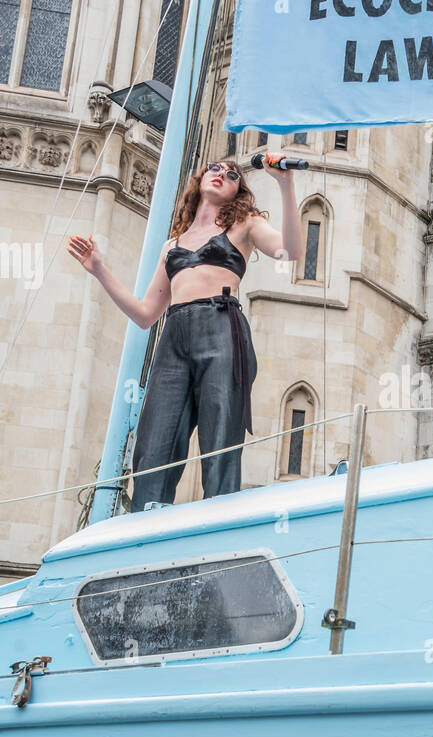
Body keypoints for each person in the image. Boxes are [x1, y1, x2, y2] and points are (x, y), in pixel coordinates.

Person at [68, 157, 303, 512]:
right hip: (174, 334)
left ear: (239, 189)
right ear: (200, 179)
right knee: (154, 443)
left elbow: (292, 250)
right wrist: (99, 270)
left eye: (233, 174)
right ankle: (145, 524)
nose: (222, 174)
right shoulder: (172, 245)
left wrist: (285, 184)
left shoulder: (244, 224)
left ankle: (217, 519)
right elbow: (145, 314)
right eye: (215, 169)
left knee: (221, 432)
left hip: (220, 326)